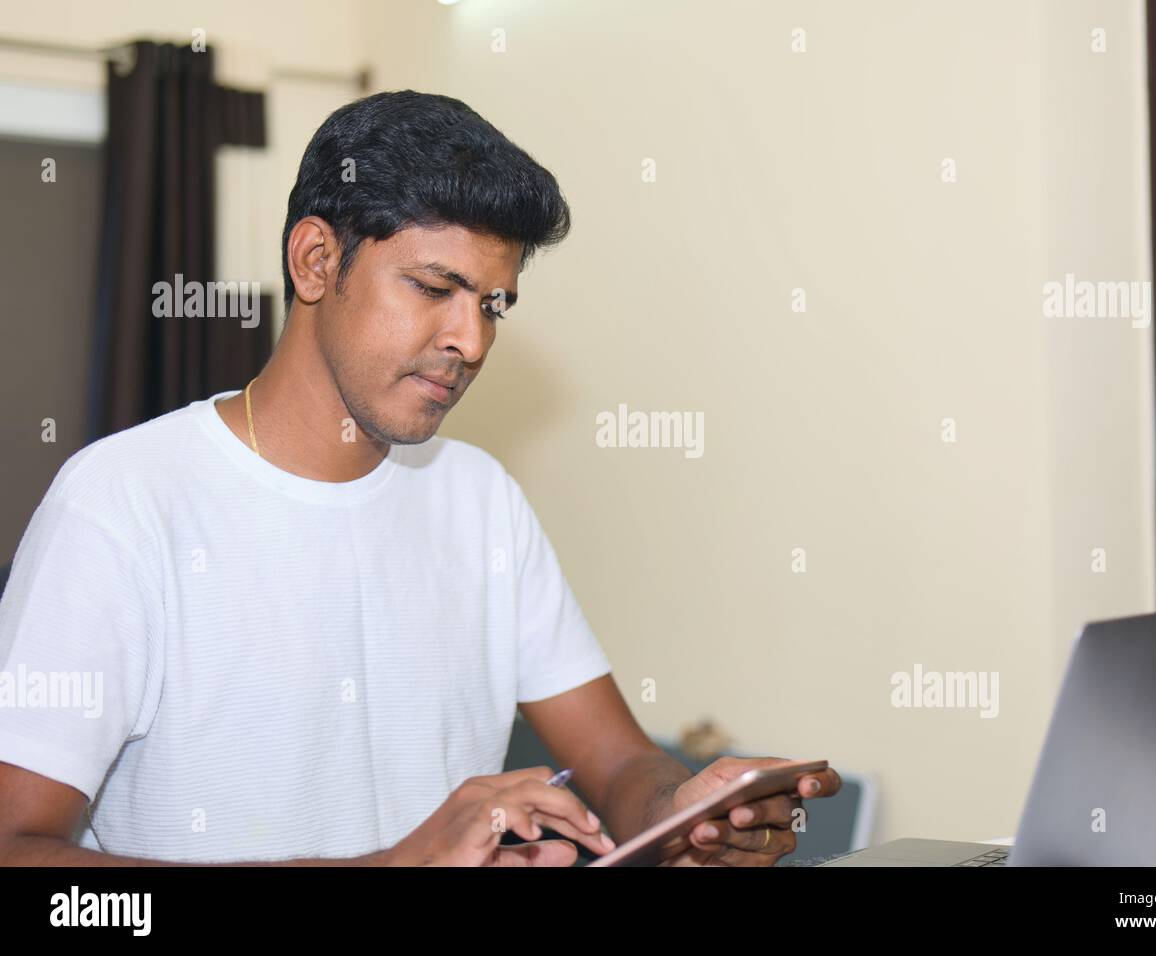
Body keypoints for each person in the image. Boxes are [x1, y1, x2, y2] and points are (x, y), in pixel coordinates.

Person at [0, 90, 838, 866]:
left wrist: (681, 814)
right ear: (316, 260)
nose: (471, 341)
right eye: (437, 288)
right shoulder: (123, 504)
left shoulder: (479, 500)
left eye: (493, 305)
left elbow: (618, 761)